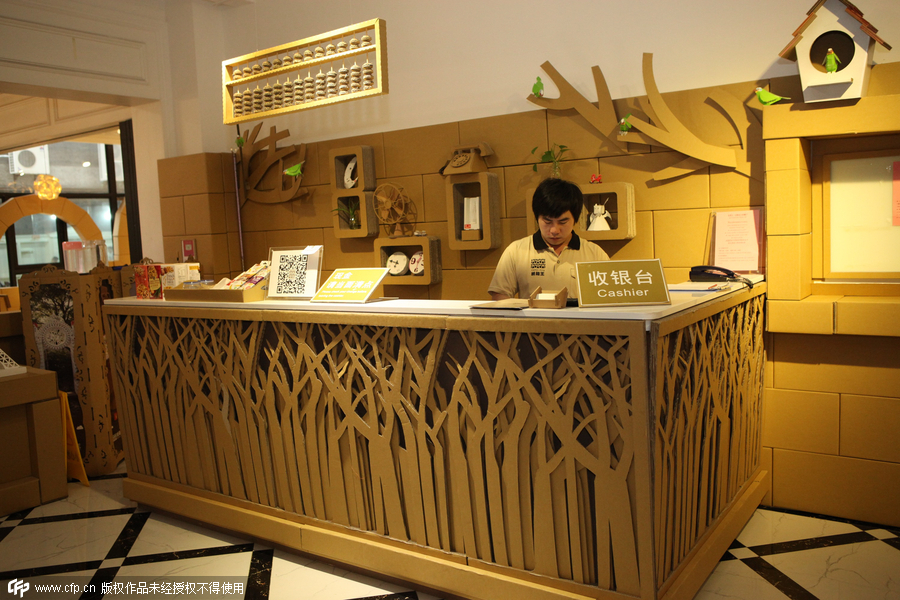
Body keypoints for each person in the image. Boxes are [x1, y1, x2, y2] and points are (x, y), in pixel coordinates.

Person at [488, 178, 609, 300]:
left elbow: (609, 296)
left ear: (575, 219)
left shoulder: (595, 253)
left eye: (563, 222)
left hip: (579, 320)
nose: (554, 230)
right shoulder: (515, 251)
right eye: (547, 221)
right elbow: (499, 295)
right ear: (537, 218)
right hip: (533, 319)